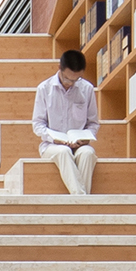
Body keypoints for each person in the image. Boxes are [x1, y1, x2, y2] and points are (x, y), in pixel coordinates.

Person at [31, 47, 103, 198]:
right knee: (63, 152)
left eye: (76, 80)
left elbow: (93, 123)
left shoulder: (87, 89)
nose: (71, 83)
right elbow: (38, 124)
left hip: (79, 145)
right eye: (68, 79)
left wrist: (85, 138)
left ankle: (79, 201)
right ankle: (82, 200)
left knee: (88, 154)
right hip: (52, 145)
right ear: (60, 69)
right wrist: (54, 138)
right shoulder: (44, 89)